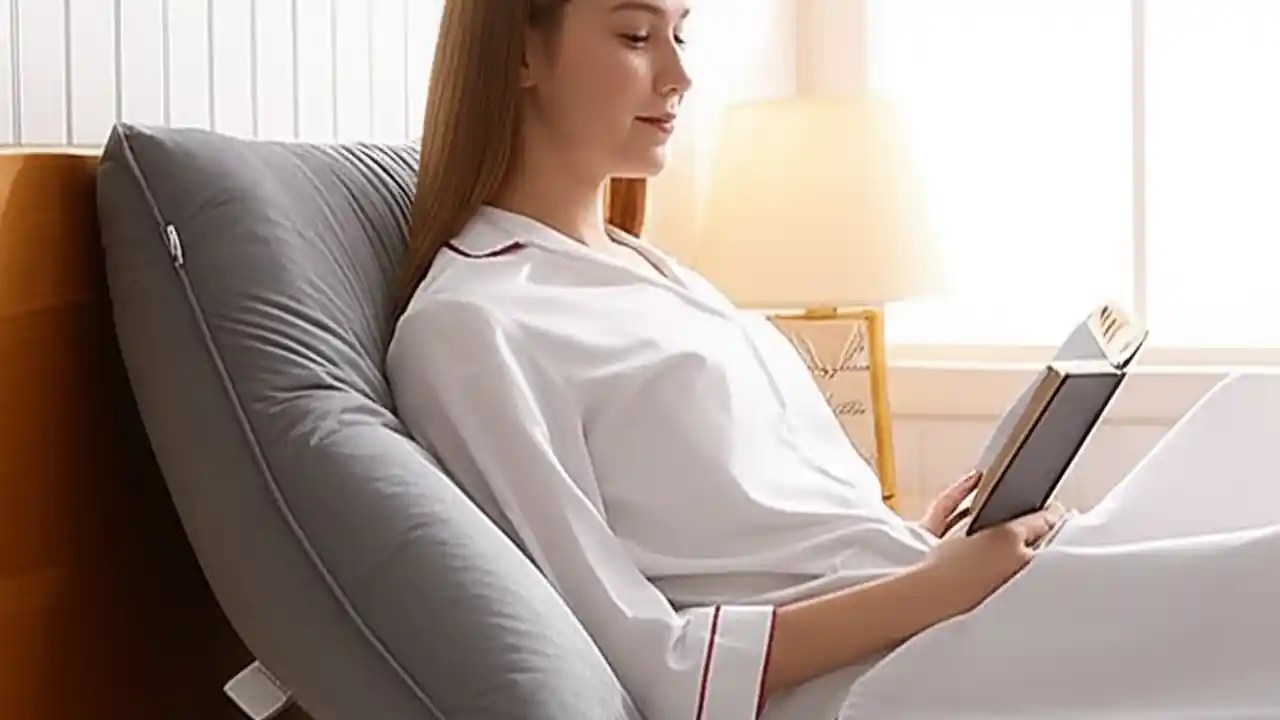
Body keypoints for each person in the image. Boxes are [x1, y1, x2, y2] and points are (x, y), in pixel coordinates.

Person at [385, 1, 1280, 718]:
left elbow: (763, 530)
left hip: (926, 603)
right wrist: (935, 589)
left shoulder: (657, 275)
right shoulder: (473, 329)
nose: (680, 75)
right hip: (881, 677)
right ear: (521, 51)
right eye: (635, 35)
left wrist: (922, 544)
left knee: (1253, 417)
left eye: (682, 33)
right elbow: (650, 663)